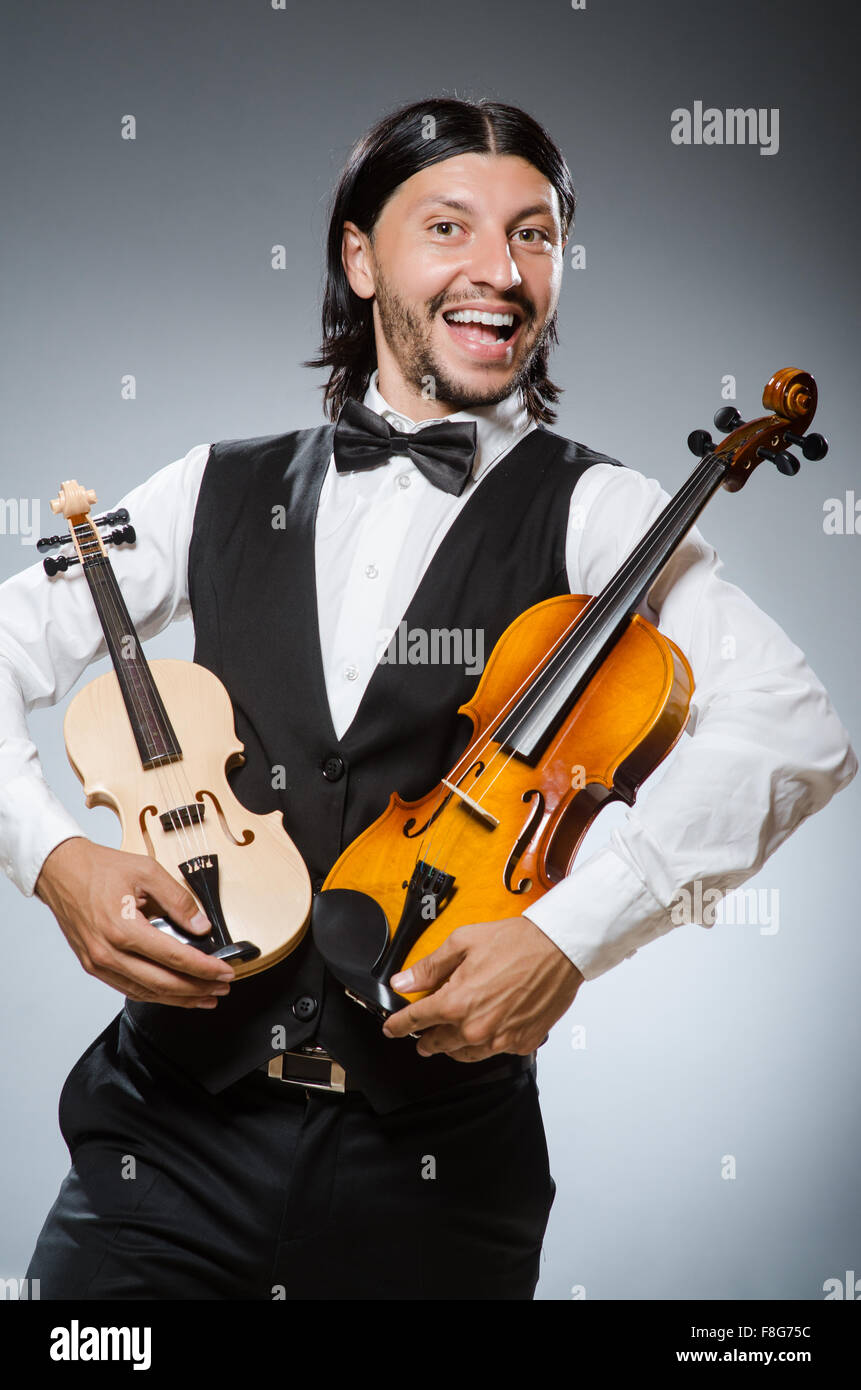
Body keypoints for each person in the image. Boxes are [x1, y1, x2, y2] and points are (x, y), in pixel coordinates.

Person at [1, 96, 856, 1301]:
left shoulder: (601, 511)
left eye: (536, 235)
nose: (500, 272)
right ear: (361, 258)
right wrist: (50, 858)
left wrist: (570, 933)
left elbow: (795, 727)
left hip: (438, 1177)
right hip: (163, 1147)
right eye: (447, 227)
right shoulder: (211, 486)